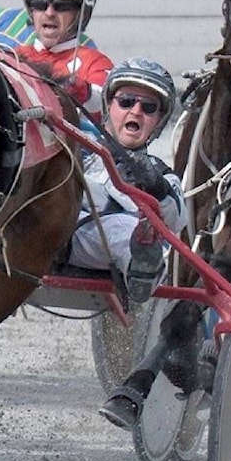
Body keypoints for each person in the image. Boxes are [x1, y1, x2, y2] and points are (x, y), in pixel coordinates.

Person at [67, 58, 187, 303]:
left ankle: (143, 265)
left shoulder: (160, 173)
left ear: (159, 121)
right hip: (50, 223)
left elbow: (176, 220)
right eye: (126, 101)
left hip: (101, 240)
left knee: (122, 229)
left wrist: (156, 187)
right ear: (109, 105)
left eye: (149, 107)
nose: (136, 111)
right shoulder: (75, 147)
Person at [2, 0, 113, 123]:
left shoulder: (96, 63)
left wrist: (85, 92)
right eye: (40, 4)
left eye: (62, 6)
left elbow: (110, 107)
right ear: (31, 11)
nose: (49, 13)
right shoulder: (12, 57)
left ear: (81, 14)